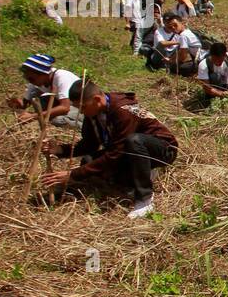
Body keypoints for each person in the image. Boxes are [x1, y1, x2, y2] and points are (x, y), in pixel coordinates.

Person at [39, 79, 177, 219]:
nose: (81, 112)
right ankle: (136, 175)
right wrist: (60, 150)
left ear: (97, 99)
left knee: (134, 141)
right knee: (88, 160)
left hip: (161, 149)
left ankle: (144, 198)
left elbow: (116, 154)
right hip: (126, 150)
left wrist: (73, 174)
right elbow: (89, 144)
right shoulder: (92, 114)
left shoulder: (122, 111)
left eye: (83, 107)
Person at [8, 54, 84, 130]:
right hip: (69, 108)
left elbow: (65, 107)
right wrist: (18, 104)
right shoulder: (35, 82)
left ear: (43, 74)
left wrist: (33, 116)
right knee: (42, 101)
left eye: (32, 79)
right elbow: (25, 103)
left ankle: (84, 126)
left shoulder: (62, 77)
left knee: (58, 120)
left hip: (82, 108)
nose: (30, 82)